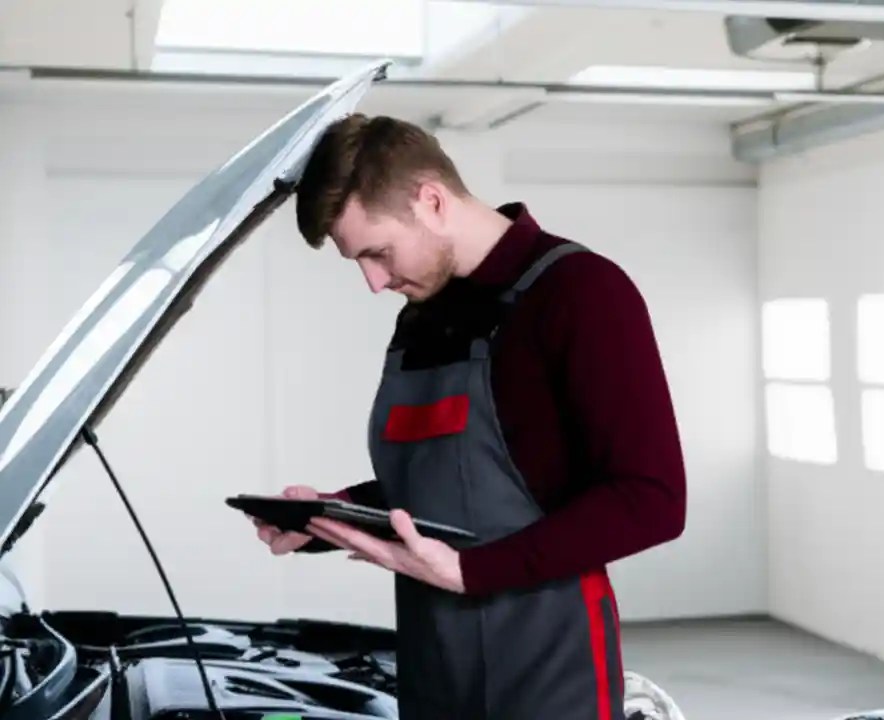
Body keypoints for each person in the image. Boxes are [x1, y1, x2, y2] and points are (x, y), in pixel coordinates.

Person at [249, 113, 687, 720]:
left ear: (431, 201)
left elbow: (653, 499)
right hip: (435, 667)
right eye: (358, 263)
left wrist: (472, 571)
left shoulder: (581, 293)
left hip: (549, 670)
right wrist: (331, 515)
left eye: (377, 253)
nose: (374, 282)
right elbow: (450, 488)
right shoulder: (423, 318)